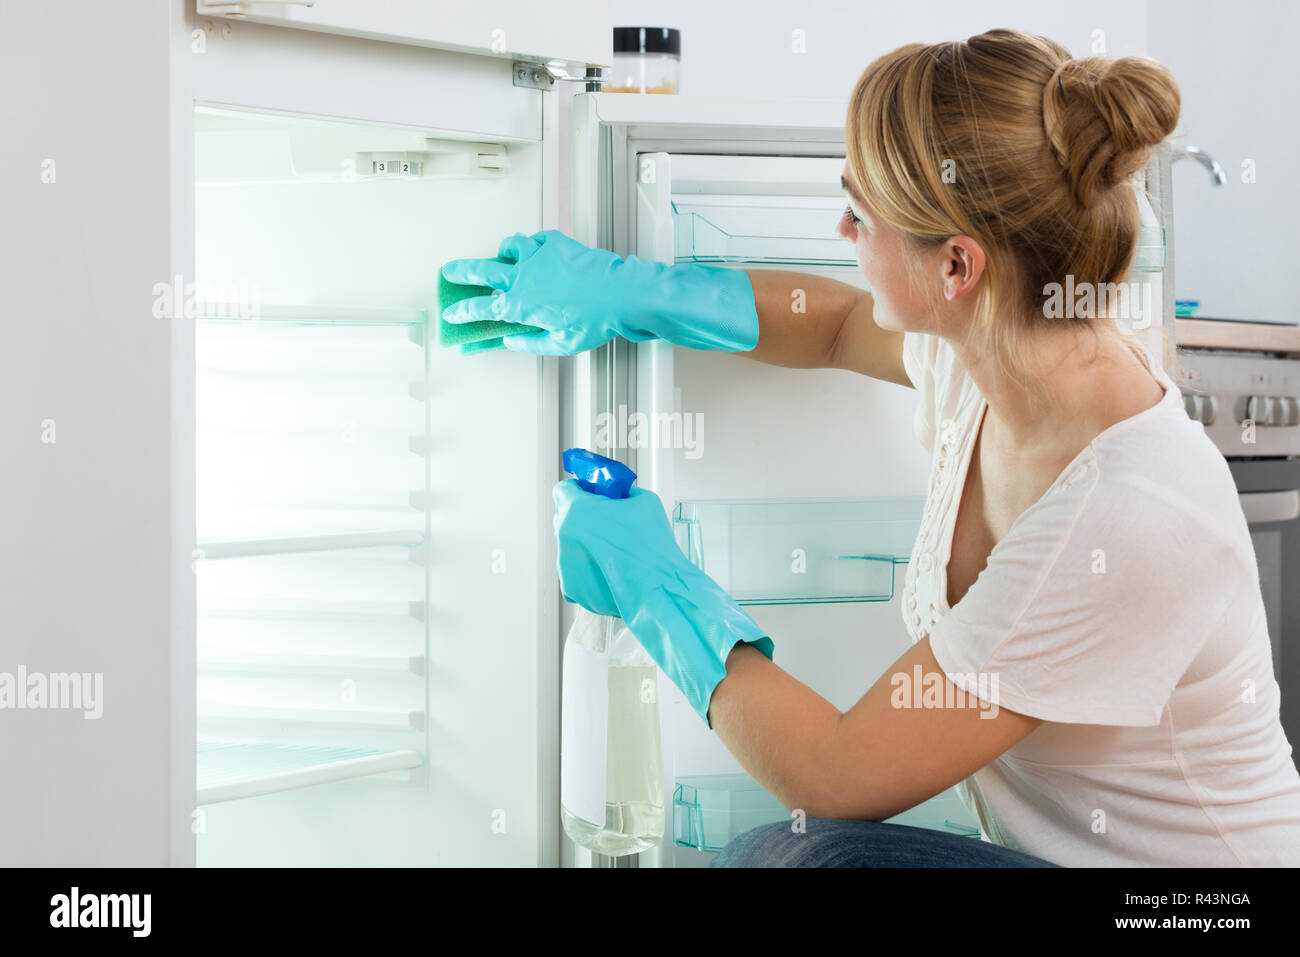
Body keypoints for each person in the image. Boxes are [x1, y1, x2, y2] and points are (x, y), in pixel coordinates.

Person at [441, 29, 1300, 867]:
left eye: (861, 211)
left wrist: (655, 588)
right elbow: (838, 325)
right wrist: (637, 293)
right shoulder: (1002, 353)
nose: (843, 231)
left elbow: (838, 774)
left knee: (799, 859)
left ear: (958, 269)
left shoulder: (1123, 511)